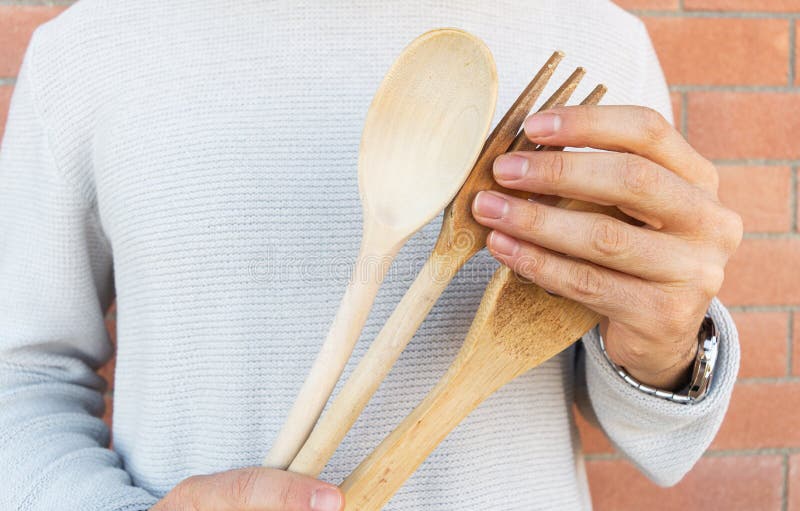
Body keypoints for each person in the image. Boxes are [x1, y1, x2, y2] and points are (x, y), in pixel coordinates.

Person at [0, 1, 742, 510]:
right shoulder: (92, 47)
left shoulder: (594, 34)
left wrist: (671, 348)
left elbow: (645, 425)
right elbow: (18, 375)